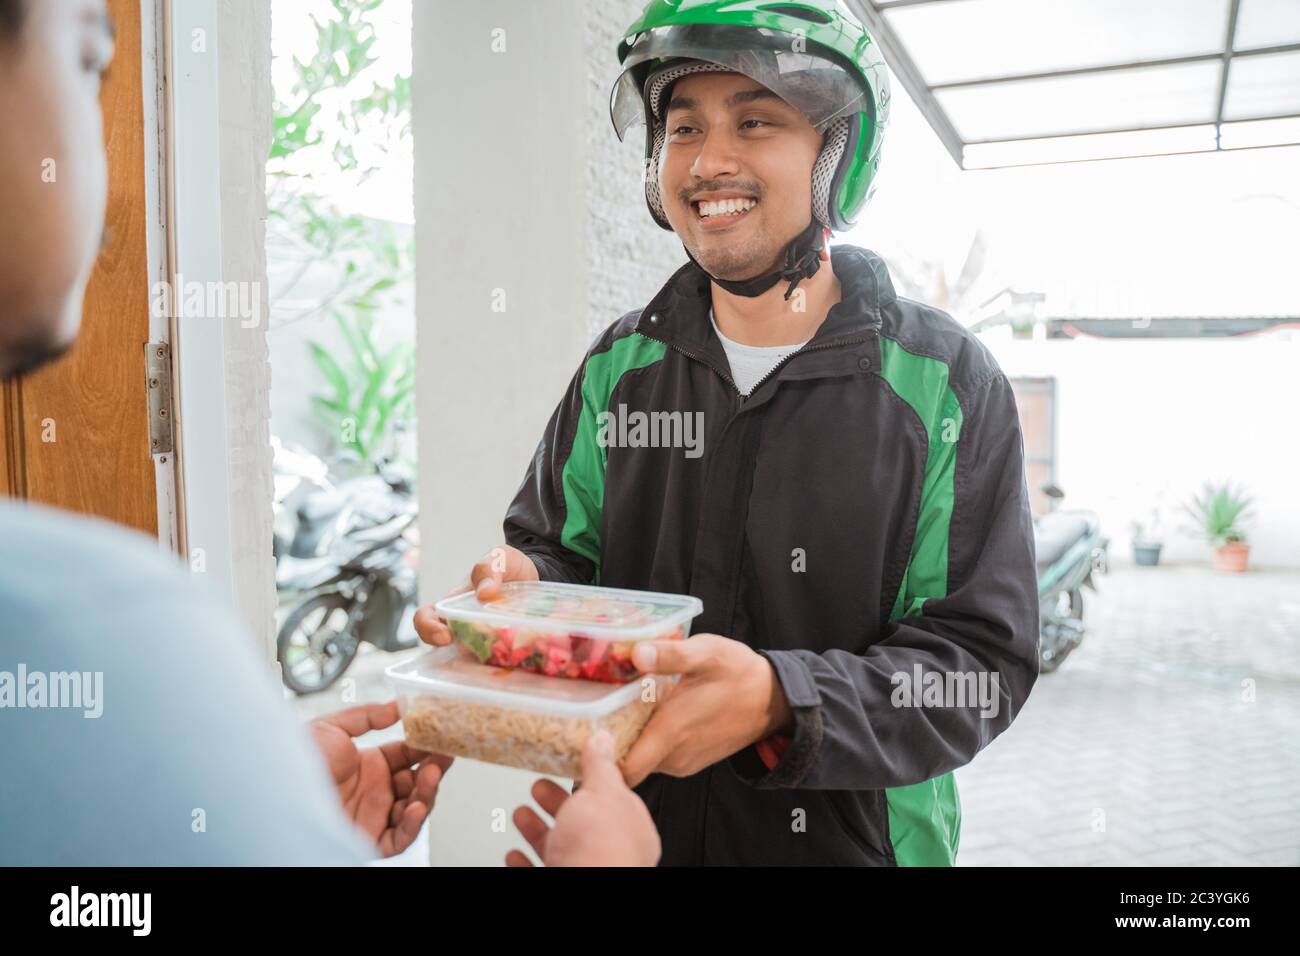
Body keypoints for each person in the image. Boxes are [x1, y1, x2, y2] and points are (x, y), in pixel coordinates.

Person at [0, 0, 656, 867]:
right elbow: (549, 544)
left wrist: (280, 826)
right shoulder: (100, 636)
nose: (101, 153)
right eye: (89, 60)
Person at [416, 0, 1040, 866]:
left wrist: (785, 702)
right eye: (682, 127)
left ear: (837, 155)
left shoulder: (944, 385)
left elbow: (979, 665)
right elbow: (562, 554)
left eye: (755, 120)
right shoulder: (621, 368)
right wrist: (523, 583)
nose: (709, 161)